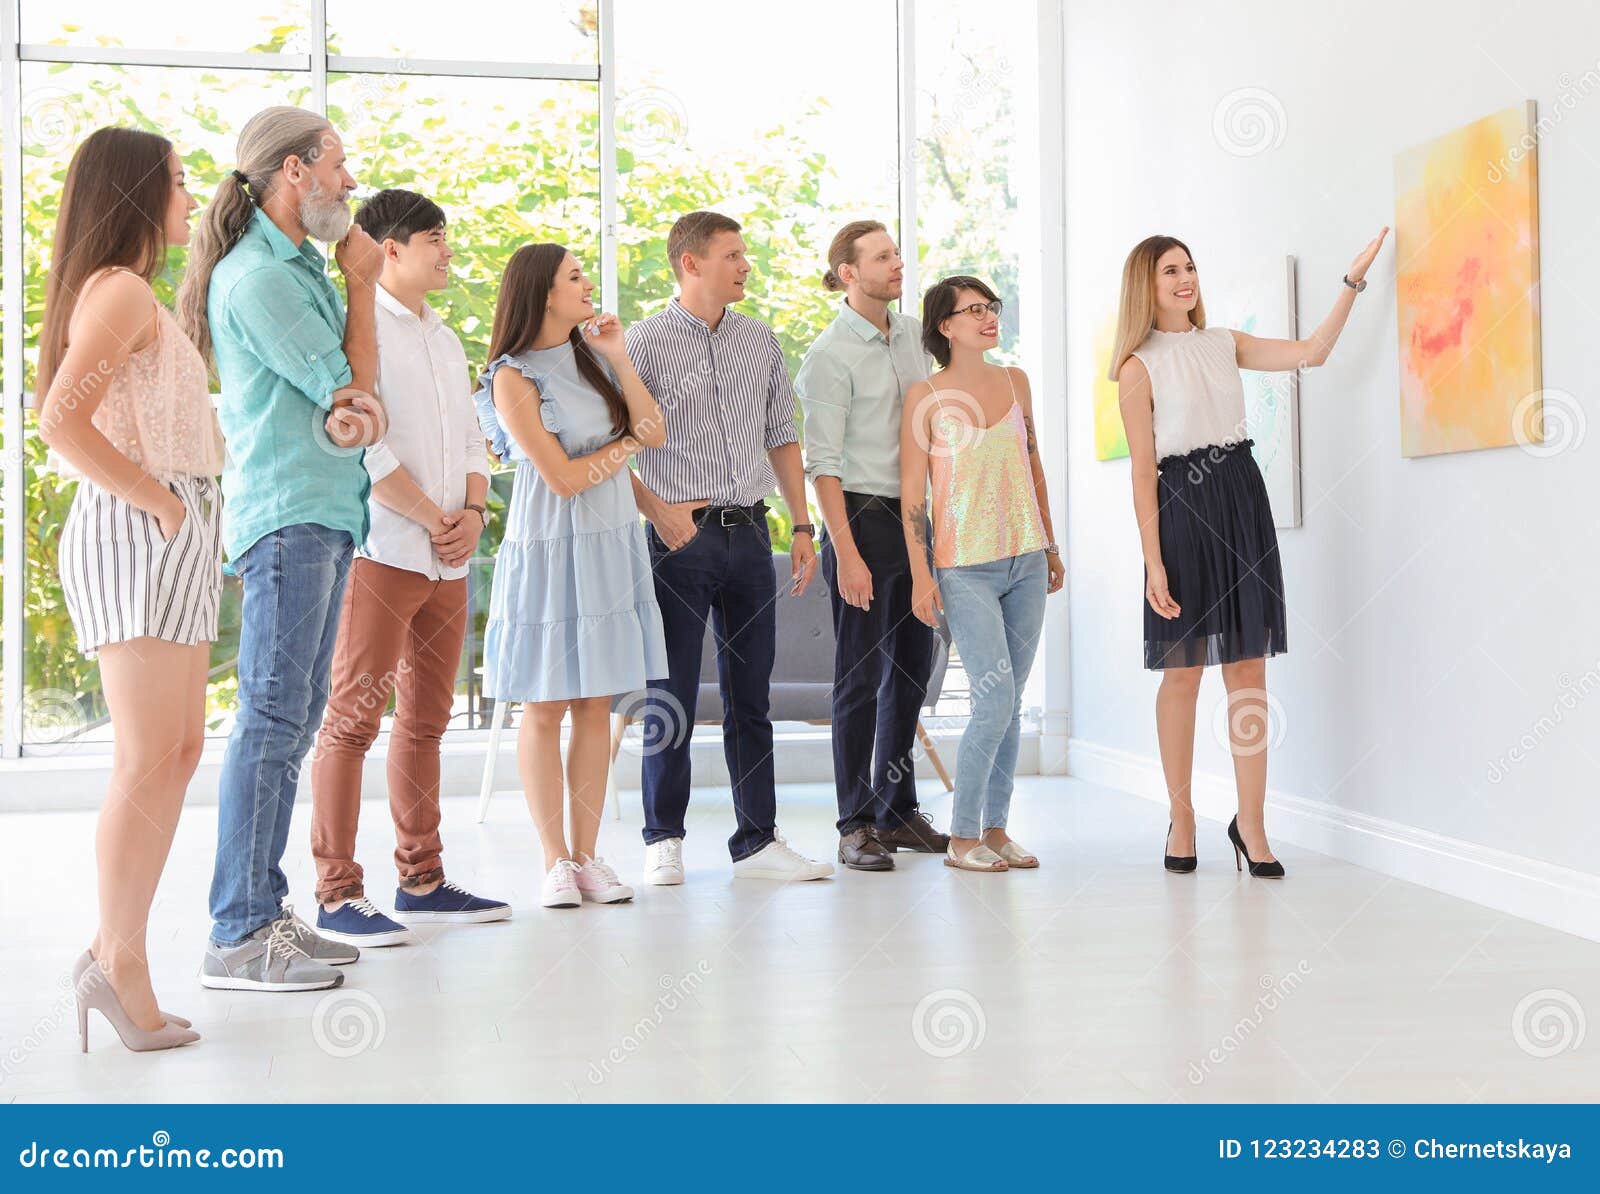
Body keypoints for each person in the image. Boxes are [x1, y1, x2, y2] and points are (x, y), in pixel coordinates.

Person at [176, 106, 388, 991]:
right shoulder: (260, 277)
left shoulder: (296, 265)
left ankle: (263, 913)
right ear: (296, 172)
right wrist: (366, 289)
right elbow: (355, 392)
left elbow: (356, 413)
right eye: (339, 166)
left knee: (291, 719)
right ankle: (239, 931)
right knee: (271, 718)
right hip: (290, 516)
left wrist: (355, 408)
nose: (350, 183)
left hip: (324, 509)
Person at [1111, 230, 1387, 878]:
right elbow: (1142, 470)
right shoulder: (1135, 365)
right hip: (1180, 506)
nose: (1186, 279)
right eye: (1170, 270)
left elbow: (1313, 352)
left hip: (1241, 495)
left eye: (1190, 267)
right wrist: (1153, 561)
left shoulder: (1222, 342)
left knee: (1248, 672)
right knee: (1182, 673)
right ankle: (1181, 816)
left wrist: (1351, 281)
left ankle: (1252, 824)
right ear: (1145, 286)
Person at [39, 127, 222, 1051]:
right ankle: (119, 962)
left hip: (169, 526)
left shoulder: (131, 293)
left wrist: (179, 508)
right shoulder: (116, 290)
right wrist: (160, 502)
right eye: (180, 183)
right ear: (138, 194)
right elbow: (58, 421)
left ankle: (116, 955)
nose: (190, 199)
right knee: (149, 758)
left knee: (177, 751)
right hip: (141, 528)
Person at [307, 188, 510, 945]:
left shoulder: (446, 338)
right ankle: (336, 892)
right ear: (388, 249)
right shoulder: (364, 333)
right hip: (385, 551)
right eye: (434, 238)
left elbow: (468, 441)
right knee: (353, 721)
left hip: (450, 559)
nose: (447, 250)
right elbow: (364, 445)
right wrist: (433, 519)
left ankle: (422, 879)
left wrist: (474, 515)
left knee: (426, 723)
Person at [626, 211, 833, 884]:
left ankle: (757, 840)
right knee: (671, 690)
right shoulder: (642, 344)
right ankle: (664, 837)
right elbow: (611, 443)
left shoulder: (760, 340)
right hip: (677, 540)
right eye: (733, 255)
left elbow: (782, 436)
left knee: (752, 696)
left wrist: (802, 527)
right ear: (691, 263)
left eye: (745, 254)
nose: (746, 265)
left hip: (751, 533)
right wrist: (657, 512)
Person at [476, 243, 669, 909]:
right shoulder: (510, 376)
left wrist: (618, 356)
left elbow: (654, 428)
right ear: (543, 293)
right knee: (546, 703)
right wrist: (624, 449)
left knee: (595, 703)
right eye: (575, 277)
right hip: (551, 546)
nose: (589, 285)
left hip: (609, 544)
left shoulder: (594, 358)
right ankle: (554, 860)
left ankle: (588, 857)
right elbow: (560, 479)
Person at [795, 220, 950, 871]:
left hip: (917, 522)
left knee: (913, 667)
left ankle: (896, 809)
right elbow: (820, 464)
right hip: (859, 520)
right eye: (882, 256)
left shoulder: (916, 337)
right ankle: (854, 823)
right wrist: (847, 552)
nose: (898, 263)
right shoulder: (827, 356)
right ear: (849, 273)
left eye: (897, 253)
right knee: (858, 678)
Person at [900, 276, 1064, 872]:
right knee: (993, 701)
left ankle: (996, 829)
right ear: (945, 326)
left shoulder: (1016, 382)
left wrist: (1049, 545)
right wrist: (922, 575)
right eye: (974, 311)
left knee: (1013, 702)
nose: (989, 317)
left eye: (991, 307)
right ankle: (962, 837)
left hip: (1025, 559)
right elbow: (912, 495)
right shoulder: (926, 396)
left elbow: (1034, 464)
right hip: (963, 565)